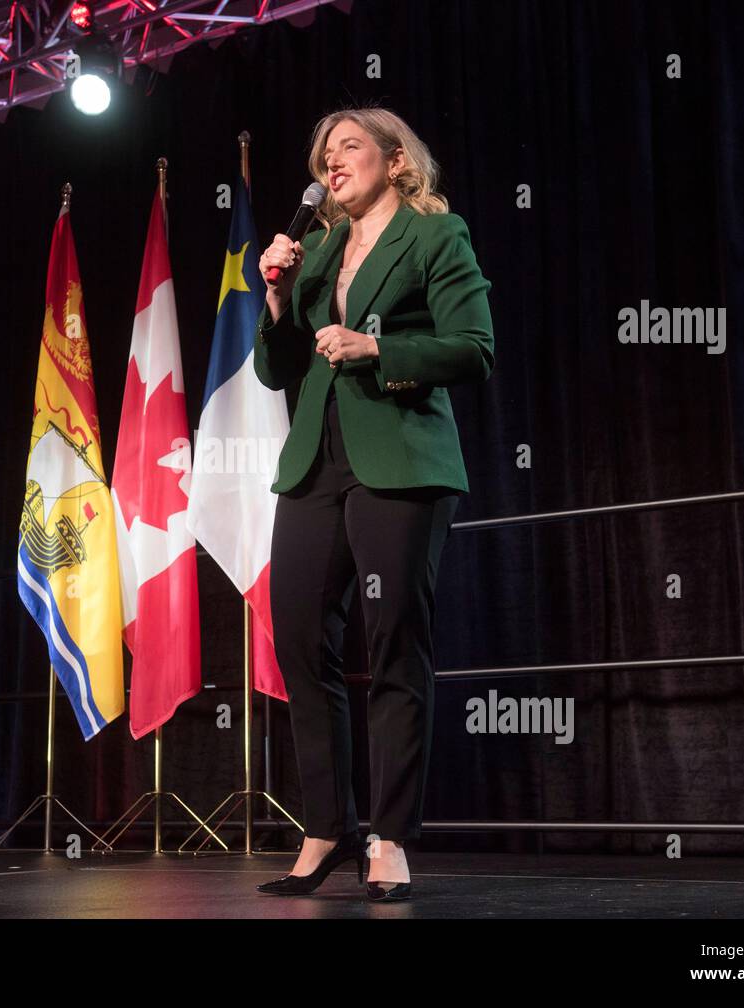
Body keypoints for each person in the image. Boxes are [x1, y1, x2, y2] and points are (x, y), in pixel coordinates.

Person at [252, 106, 494, 901]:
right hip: (315, 464)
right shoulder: (317, 249)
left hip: (400, 460)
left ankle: (388, 836)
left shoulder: (435, 235)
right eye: (325, 152)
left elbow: (474, 350)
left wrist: (378, 348)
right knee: (298, 641)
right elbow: (278, 370)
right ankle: (327, 828)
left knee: (394, 645)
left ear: (395, 161)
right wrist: (279, 297)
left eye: (349, 146)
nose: (332, 160)